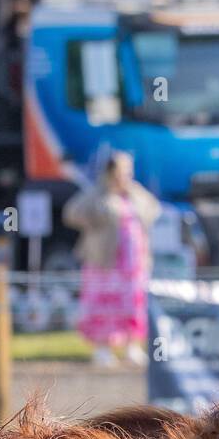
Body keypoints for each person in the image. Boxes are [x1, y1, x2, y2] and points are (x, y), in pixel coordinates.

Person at [62, 151, 159, 367]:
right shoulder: (98, 192)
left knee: (133, 303)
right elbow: (71, 213)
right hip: (104, 262)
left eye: (128, 172)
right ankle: (103, 348)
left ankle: (131, 346)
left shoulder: (135, 193)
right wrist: (98, 214)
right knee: (104, 303)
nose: (124, 177)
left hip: (133, 263)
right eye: (120, 172)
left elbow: (153, 209)